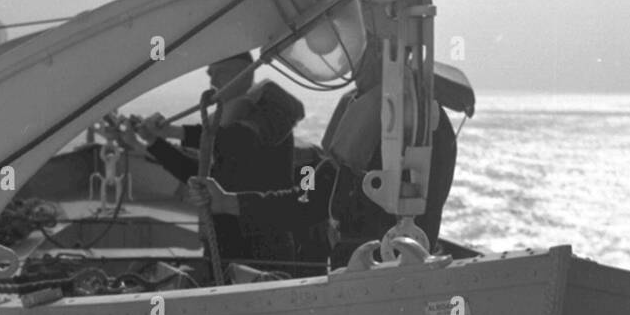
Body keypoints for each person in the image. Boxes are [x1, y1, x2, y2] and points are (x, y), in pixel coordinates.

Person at [191, 39, 457, 268]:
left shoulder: (422, 125)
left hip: (388, 277)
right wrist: (226, 201)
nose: (349, 69)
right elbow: (307, 199)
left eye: (356, 55)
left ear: (381, 52)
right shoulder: (366, 115)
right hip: (352, 272)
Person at [131, 53, 306, 265]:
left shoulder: (274, 111)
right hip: (225, 241)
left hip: (263, 245)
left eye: (219, 73)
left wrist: (174, 131)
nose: (213, 82)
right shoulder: (227, 121)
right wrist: (154, 143)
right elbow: (198, 175)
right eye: (210, 75)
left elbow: (240, 141)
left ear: (243, 74)